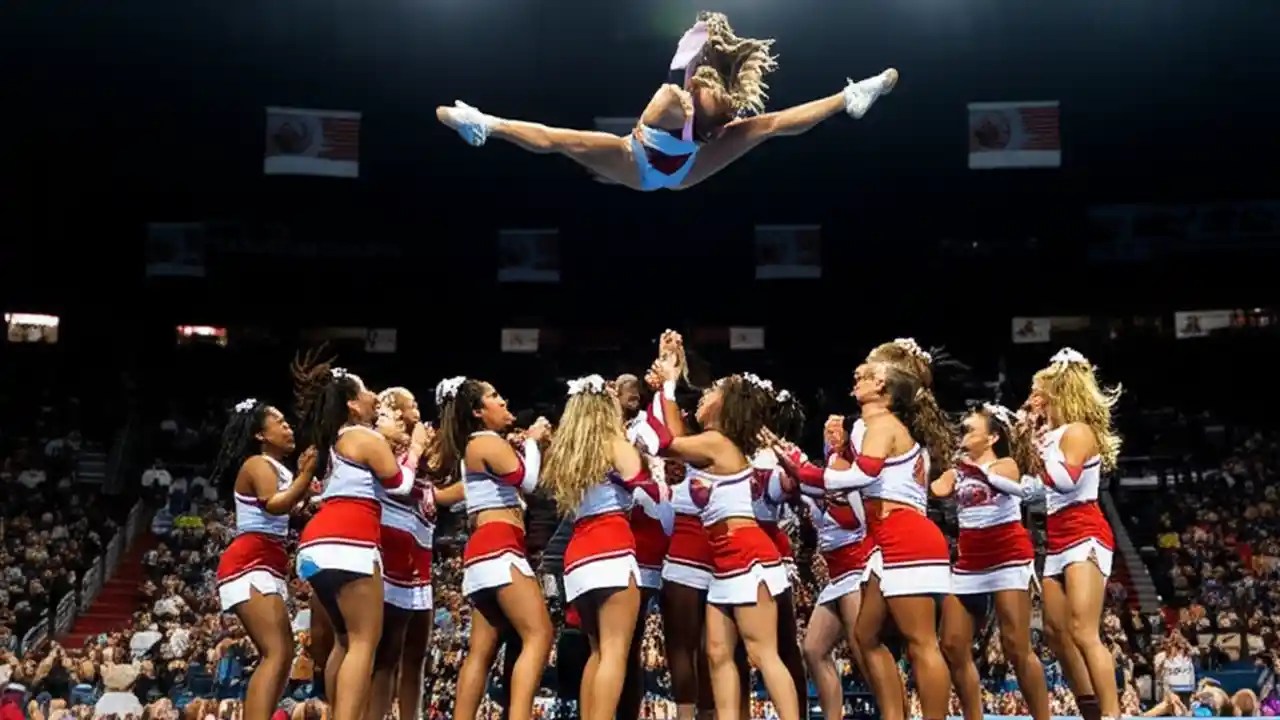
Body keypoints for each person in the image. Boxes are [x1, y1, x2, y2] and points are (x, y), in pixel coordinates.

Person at [436, 11, 897, 191]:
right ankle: (485, 124)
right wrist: (701, 40)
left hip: (665, 166)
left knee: (766, 125)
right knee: (560, 139)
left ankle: (850, 97)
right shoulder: (674, 102)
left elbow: (763, 116)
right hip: (662, 166)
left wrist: (700, 41)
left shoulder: (697, 105)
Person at [773, 339, 955, 720]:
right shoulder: (880, 426)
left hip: (905, 539)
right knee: (864, 636)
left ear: (885, 388)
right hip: (887, 541)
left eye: (869, 374)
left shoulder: (882, 423)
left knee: (921, 643)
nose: (858, 376)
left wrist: (802, 470)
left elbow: (861, 475)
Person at [648, 347, 800, 720]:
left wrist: (669, 384)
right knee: (716, 653)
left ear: (726, 404)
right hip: (723, 562)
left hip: (747, 556)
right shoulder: (713, 444)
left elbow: (669, 443)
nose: (703, 394)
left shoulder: (719, 443)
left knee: (762, 653)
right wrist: (667, 384)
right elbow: (676, 439)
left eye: (712, 390)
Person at [294, 365, 417, 720]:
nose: (373, 396)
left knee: (345, 641)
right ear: (351, 403)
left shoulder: (333, 440)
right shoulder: (361, 437)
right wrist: (416, 449)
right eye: (365, 391)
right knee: (365, 641)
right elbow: (400, 484)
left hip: (318, 544)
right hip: (349, 540)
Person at [542, 374, 662, 720]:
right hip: (611, 548)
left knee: (597, 651)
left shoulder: (571, 453)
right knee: (614, 652)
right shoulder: (615, 445)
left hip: (577, 556)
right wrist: (649, 466)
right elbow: (650, 491)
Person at [433, 376, 554, 720]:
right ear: (477, 411)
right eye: (494, 396)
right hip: (500, 545)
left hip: (484, 549)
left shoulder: (478, 445)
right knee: (540, 635)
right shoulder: (485, 441)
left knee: (481, 651)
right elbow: (528, 481)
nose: (503, 401)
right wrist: (532, 442)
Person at [930, 404, 1049, 720]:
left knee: (1015, 647)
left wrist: (971, 469)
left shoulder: (1005, 464)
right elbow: (938, 489)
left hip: (1007, 558)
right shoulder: (959, 469)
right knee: (952, 645)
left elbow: (1001, 479)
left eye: (970, 428)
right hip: (969, 563)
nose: (963, 433)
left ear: (993, 436)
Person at [1022, 348, 1123, 720]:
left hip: (1085, 533)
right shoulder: (1050, 435)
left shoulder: (1077, 431)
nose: (1031, 398)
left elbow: (1065, 481)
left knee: (1083, 630)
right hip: (1057, 536)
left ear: (1055, 392)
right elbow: (1039, 490)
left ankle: (1112, 715)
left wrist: (1035, 442)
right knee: (1055, 632)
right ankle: (1090, 710)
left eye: (1037, 391)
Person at [211, 399, 317, 720]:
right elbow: (274, 504)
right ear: (260, 434)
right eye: (280, 423)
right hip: (248, 560)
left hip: (267, 561)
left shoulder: (279, 468)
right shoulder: (257, 464)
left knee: (283, 655)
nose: (289, 427)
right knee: (275, 653)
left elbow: (294, 508)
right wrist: (307, 474)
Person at [367, 387, 433, 720]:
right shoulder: (380, 441)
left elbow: (436, 487)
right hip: (391, 538)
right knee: (387, 652)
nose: (417, 409)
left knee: (417, 652)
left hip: (420, 542)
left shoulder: (420, 442)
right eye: (411, 403)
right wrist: (416, 446)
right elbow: (398, 482)